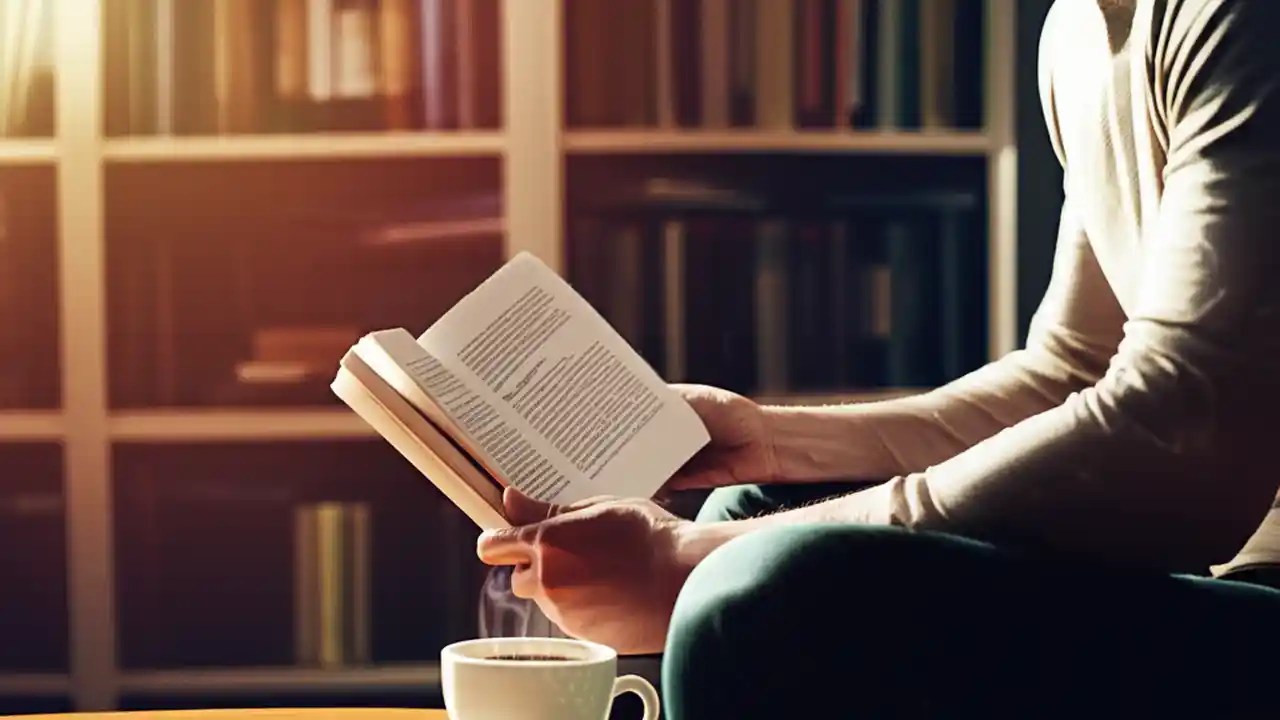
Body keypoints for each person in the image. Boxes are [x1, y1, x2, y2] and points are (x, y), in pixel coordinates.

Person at [477, 1, 1280, 716]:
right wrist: (776, 440)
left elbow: (1187, 449)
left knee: (757, 599)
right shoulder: (1079, 27)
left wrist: (690, 563)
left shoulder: (1235, 19)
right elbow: (1072, 373)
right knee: (749, 507)